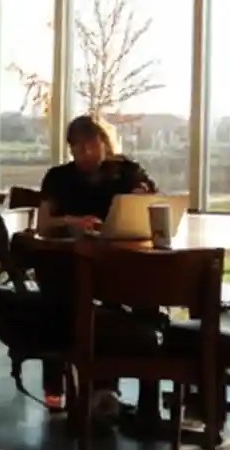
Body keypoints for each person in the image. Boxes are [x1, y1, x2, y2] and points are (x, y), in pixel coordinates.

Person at [35, 115, 157, 413]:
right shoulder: (59, 178)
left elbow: (152, 205)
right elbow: (43, 223)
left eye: (90, 145)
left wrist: (142, 199)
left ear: (104, 142)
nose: (84, 154)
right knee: (89, 305)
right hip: (69, 265)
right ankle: (100, 390)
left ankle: (135, 400)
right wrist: (73, 222)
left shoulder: (126, 171)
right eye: (77, 148)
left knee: (145, 303)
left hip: (120, 265)